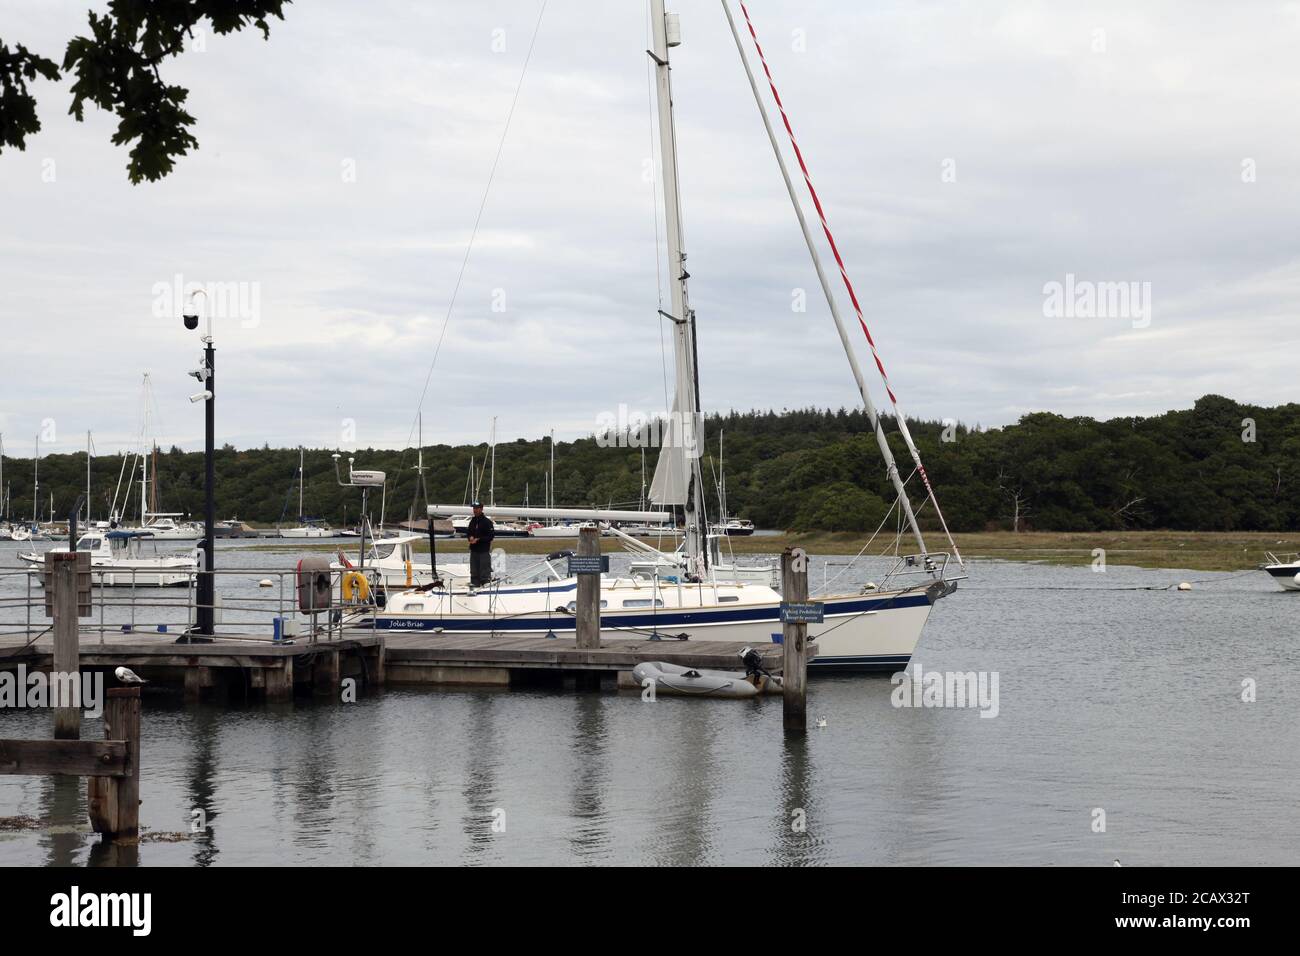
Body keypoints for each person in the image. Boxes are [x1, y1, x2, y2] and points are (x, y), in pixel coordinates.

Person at [466, 500, 494, 588]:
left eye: (477, 508)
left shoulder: (487, 522)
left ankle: (486, 584)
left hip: (483, 551)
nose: (475, 510)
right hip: (474, 551)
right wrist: (470, 537)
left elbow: (490, 536)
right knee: (474, 570)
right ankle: (474, 585)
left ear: (481, 509)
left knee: (484, 570)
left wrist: (479, 539)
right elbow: (469, 532)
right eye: (474, 508)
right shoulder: (472, 521)